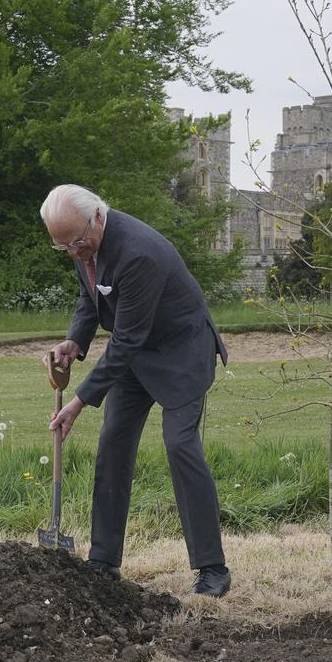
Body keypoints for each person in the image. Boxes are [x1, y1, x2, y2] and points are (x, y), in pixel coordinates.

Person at [39, 184, 232, 597]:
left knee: (180, 445)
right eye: (63, 247)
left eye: (77, 242)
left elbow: (126, 339)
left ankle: (212, 569)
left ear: (98, 218)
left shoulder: (139, 252)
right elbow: (91, 298)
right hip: (137, 353)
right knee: (113, 442)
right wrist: (75, 340)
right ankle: (103, 563)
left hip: (180, 352)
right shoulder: (83, 242)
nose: (73, 251)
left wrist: (80, 401)